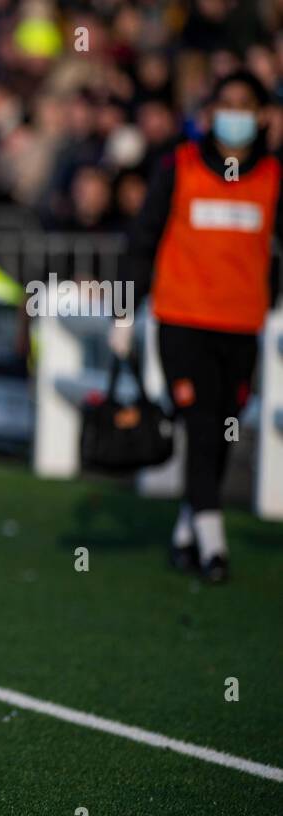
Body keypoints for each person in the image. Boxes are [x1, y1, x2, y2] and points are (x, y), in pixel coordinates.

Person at [127, 70, 282, 584]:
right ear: (210, 114)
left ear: (263, 117)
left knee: (223, 427)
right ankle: (215, 545)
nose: (236, 115)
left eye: (246, 105)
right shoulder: (180, 167)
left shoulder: (273, 178)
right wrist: (124, 311)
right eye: (226, 104)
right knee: (199, 423)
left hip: (240, 326)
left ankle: (188, 530)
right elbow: (142, 239)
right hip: (182, 319)